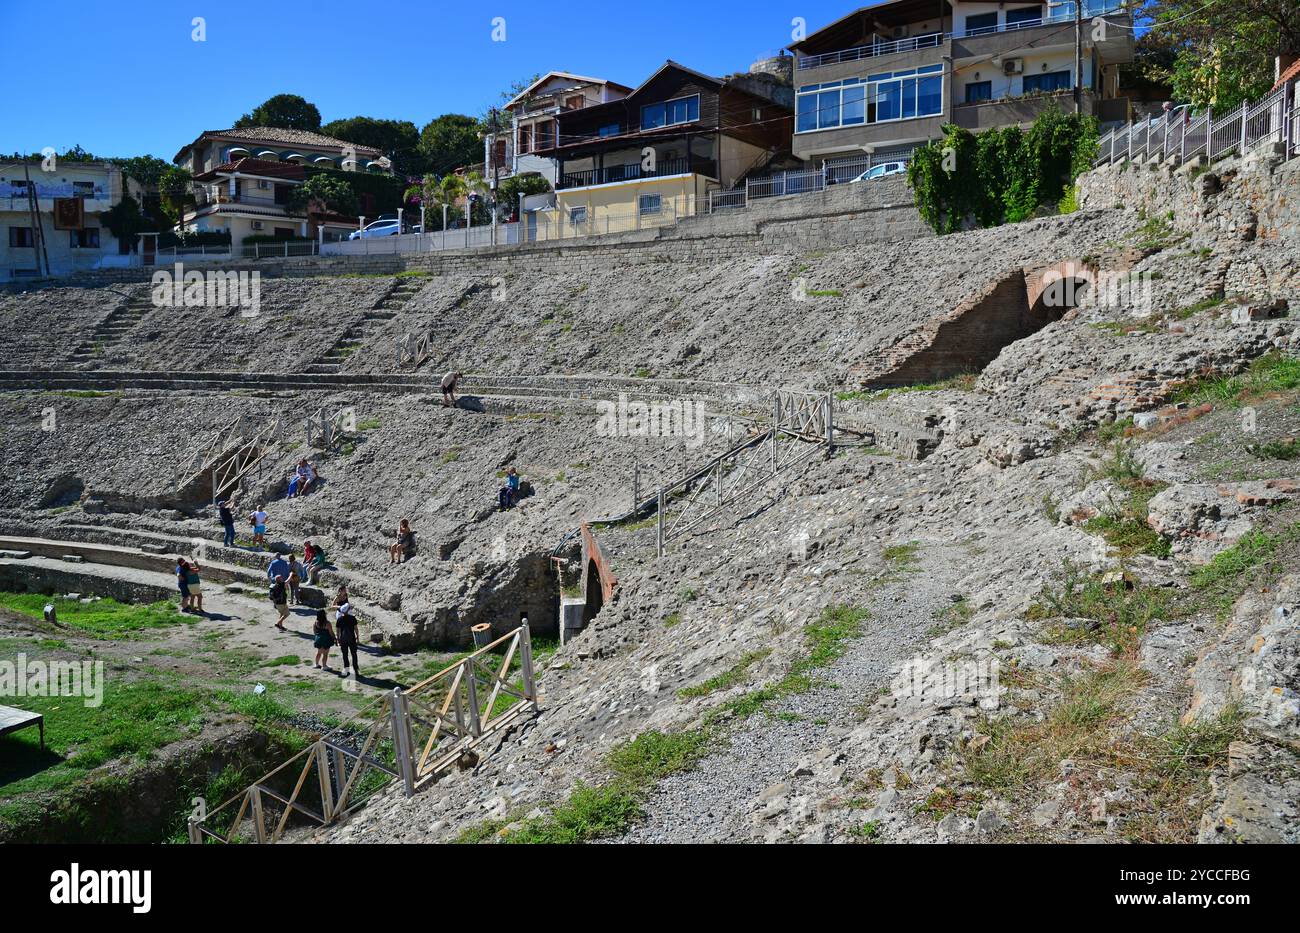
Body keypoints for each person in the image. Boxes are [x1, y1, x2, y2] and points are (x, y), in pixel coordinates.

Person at [335, 603, 360, 676]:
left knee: (345, 655)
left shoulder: (339, 620)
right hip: (352, 639)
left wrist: (338, 640)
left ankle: (346, 670)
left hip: (343, 639)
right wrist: (358, 638)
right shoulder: (352, 618)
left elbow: (338, 631)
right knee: (354, 654)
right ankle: (356, 670)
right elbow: (356, 629)